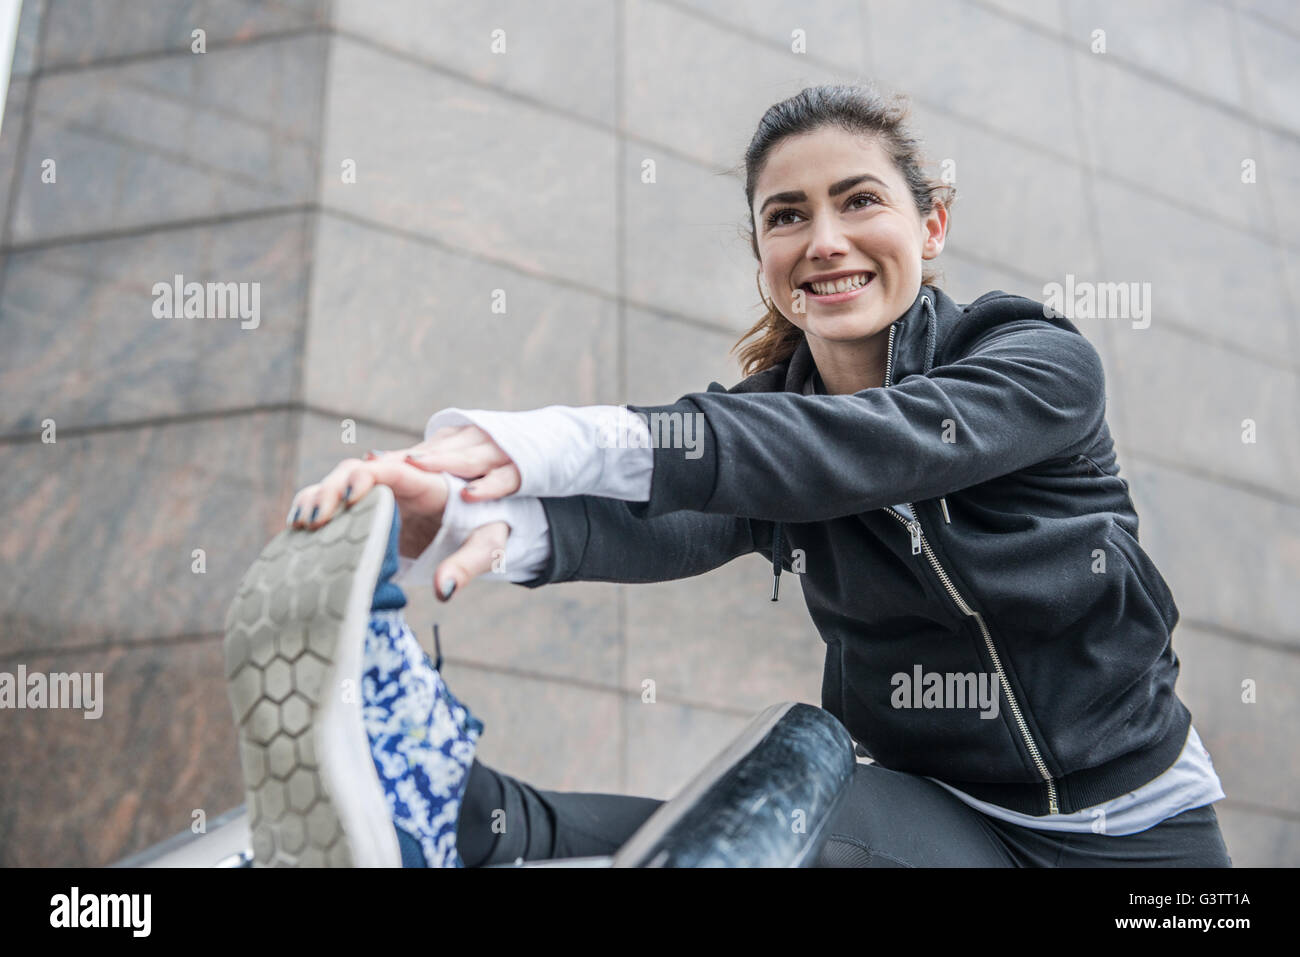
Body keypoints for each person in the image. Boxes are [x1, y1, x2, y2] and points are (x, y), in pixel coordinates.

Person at [229, 83, 1232, 867]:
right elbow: (680, 518)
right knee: (790, 800)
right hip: (941, 816)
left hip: (1139, 831)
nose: (824, 240)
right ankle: (464, 816)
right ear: (762, 254)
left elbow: (866, 447)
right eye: (786, 216)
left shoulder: (1034, 365)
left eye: (859, 201)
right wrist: (479, 513)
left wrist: (554, 440)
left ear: (930, 228)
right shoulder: (768, 421)